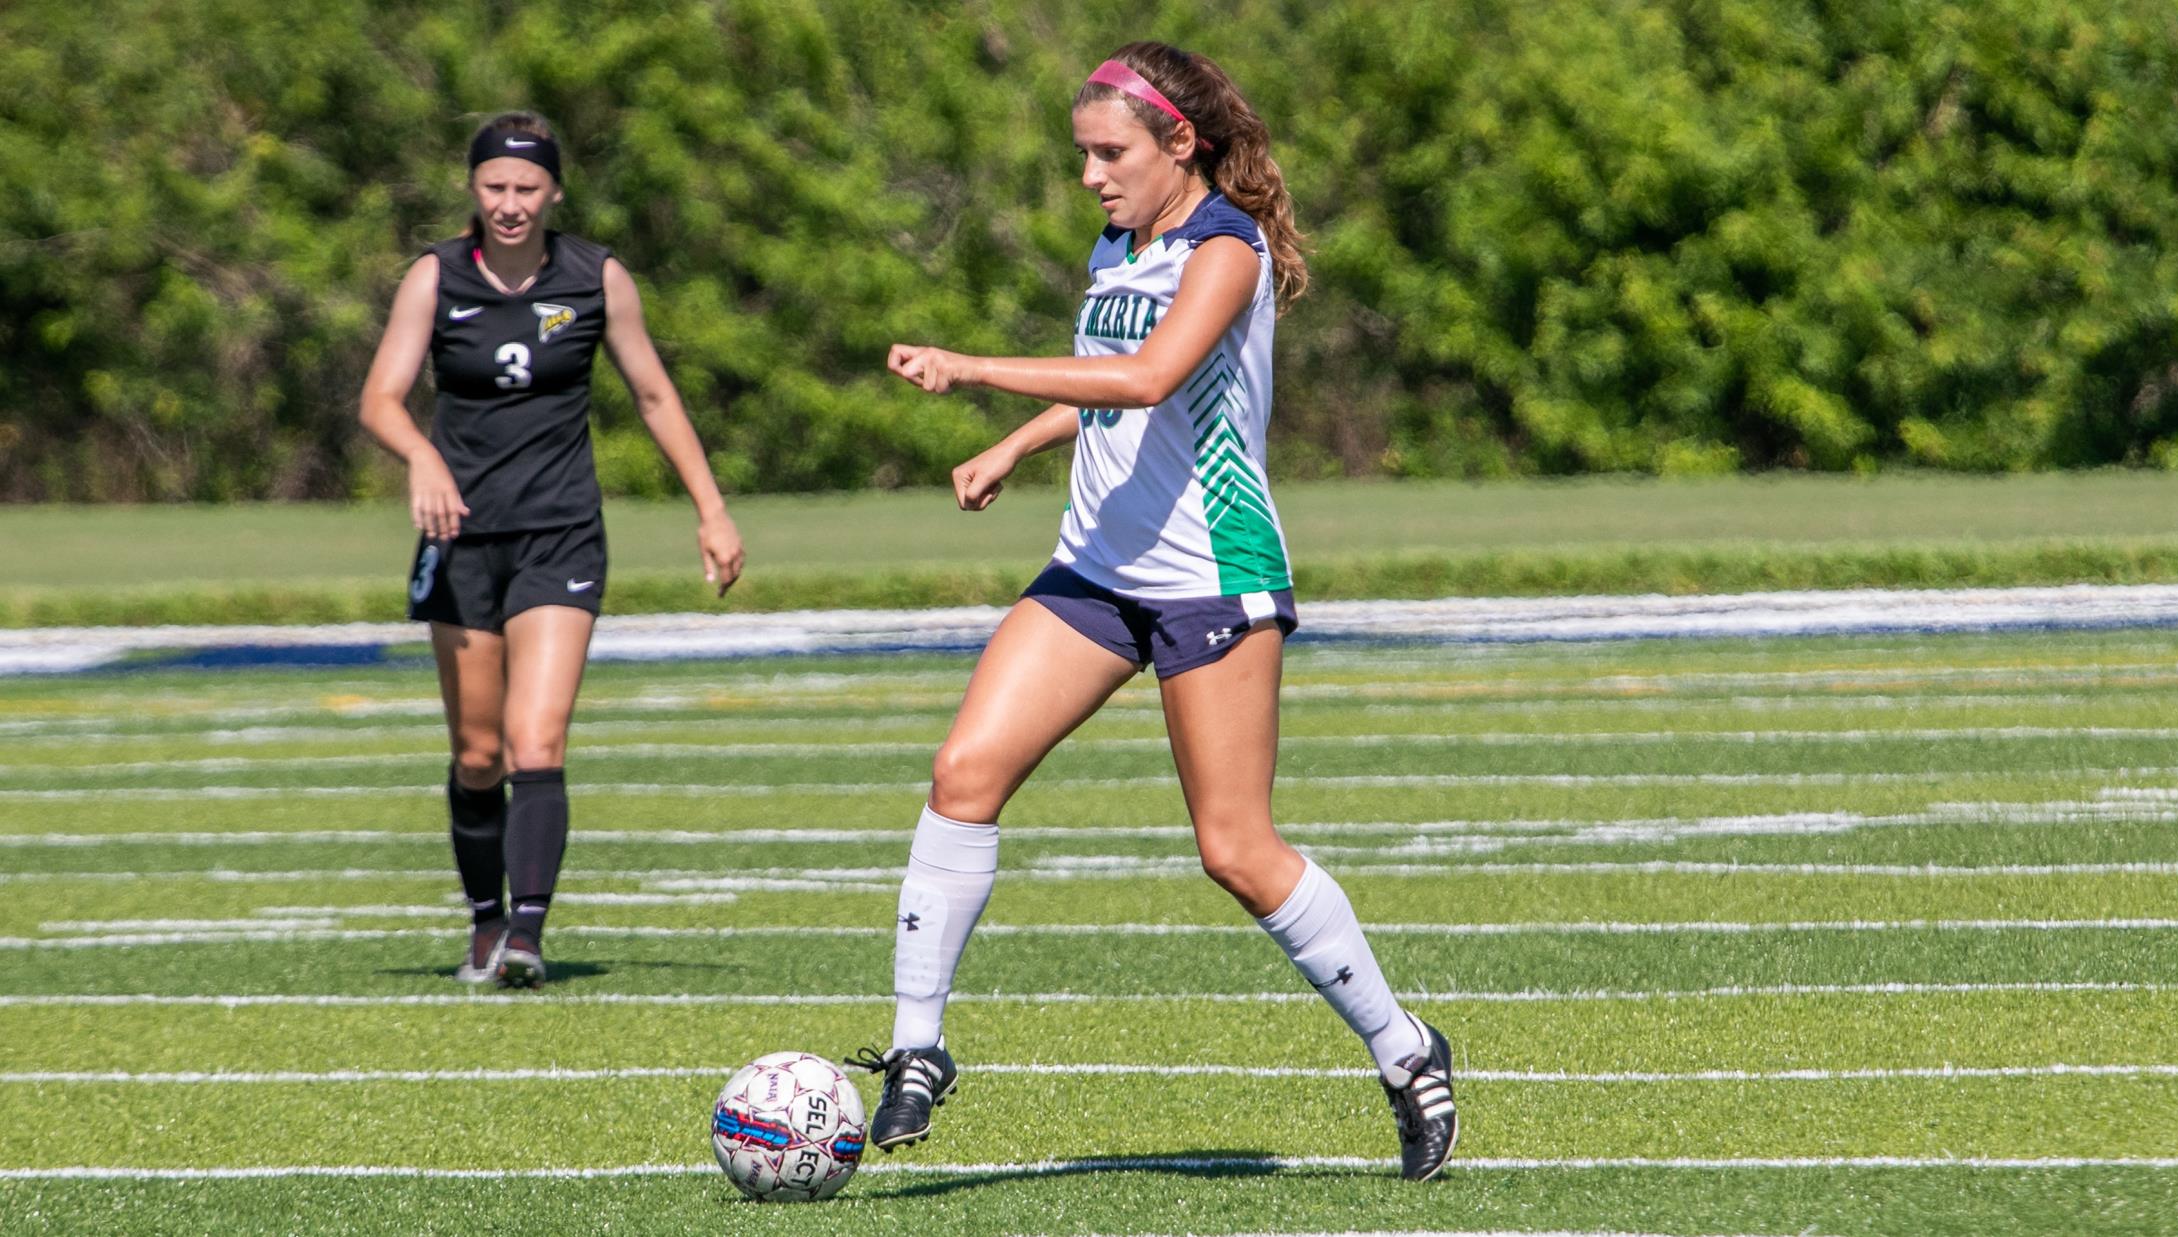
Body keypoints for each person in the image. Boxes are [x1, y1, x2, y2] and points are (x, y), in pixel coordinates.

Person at [852, 44, 1457, 1180]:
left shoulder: (1224, 246)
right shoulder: (1119, 244)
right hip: (1094, 570)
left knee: (1233, 849)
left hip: (1209, 577)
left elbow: (1149, 380)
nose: (1089, 175)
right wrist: (1016, 444)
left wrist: (974, 369)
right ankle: (918, 1045)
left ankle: (1405, 1047)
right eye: (1082, 153)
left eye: (1109, 153)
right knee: (961, 775)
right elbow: (1110, 388)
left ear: (1181, 143)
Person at [357, 111, 743, 989]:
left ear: (555, 191)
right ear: (473, 188)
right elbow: (380, 397)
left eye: (526, 188)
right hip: (459, 542)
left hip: (561, 533)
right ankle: (486, 921)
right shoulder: (435, 276)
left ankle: (526, 936)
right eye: (494, 186)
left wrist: (711, 509)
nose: (510, 204)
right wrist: (420, 454)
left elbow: (652, 393)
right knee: (478, 754)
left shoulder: (595, 276)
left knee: (538, 740)